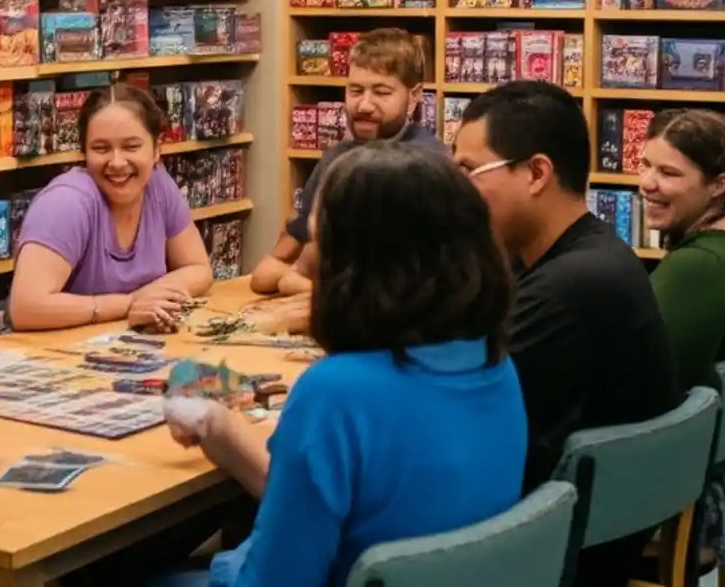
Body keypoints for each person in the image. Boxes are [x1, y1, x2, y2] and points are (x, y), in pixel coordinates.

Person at [156, 142, 528, 587]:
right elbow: (350, 502)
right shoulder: (494, 363)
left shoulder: (336, 392)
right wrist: (217, 424)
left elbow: (273, 580)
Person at [451, 80, 681, 587]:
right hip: (593, 530)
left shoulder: (570, 286)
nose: (454, 192)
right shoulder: (585, 252)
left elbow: (455, 417)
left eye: (468, 172)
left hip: (553, 555)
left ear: (536, 173)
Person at [639, 108, 725, 574]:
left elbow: (651, 383)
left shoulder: (698, 267)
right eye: (645, 164)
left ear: (718, 185)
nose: (648, 182)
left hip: (694, 489)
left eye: (669, 172)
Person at [249, 27, 448, 296]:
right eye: (355, 91)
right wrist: (293, 276)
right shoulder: (336, 158)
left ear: (414, 95)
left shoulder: (427, 165)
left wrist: (297, 280)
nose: (364, 105)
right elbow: (266, 273)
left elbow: (399, 286)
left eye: (381, 92)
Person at [9, 83, 213, 331]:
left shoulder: (158, 183)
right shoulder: (65, 203)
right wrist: (130, 304)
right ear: (84, 153)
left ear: (157, 150)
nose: (117, 162)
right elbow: (26, 309)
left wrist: (149, 298)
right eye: (101, 148)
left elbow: (199, 269)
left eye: (131, 146)